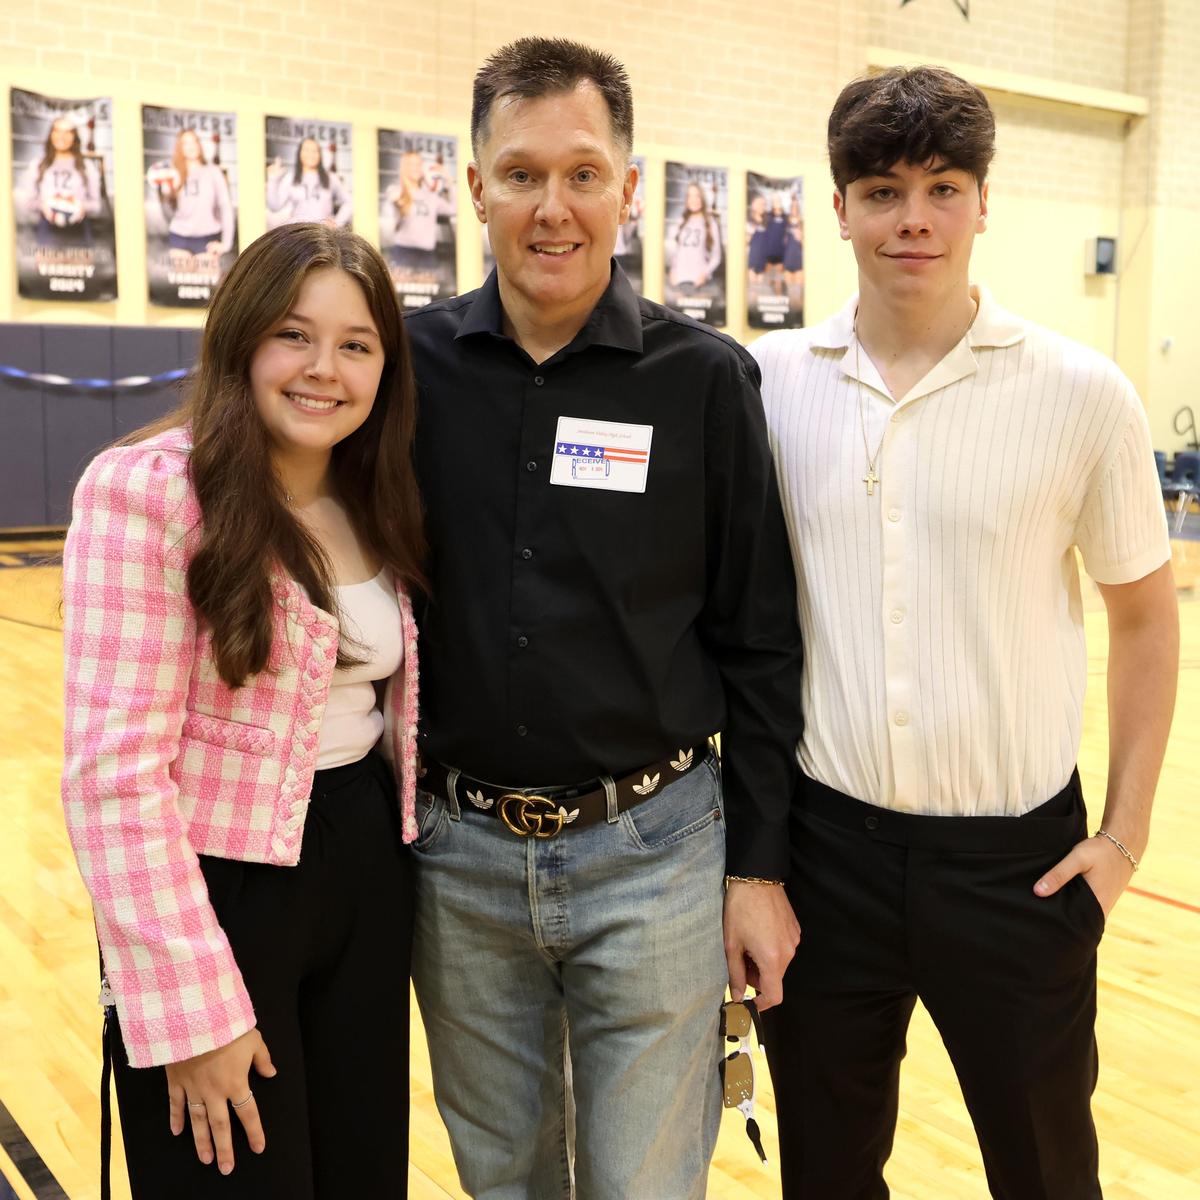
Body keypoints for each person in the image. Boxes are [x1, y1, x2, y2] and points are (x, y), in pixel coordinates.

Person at [751, 65, 1179, 1199]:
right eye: (883, 190)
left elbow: (1145, 615)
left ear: (985, 202)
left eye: (944, 187)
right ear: (837, 207)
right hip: (823, 862)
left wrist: (1123, 841)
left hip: (1022, 871)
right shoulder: (764, 382)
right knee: (827, 1176)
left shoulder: (1085, 393)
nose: (915, 219)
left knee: (1046, 1173)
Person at [404, 35, 805, 1200]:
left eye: (583, 173)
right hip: (460, 860)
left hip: (657, 855)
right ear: (473, 186)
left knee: (645, 1185)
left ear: (631, 189)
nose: (552, 208)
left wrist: (759, 869)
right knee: (506, 1181)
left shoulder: (702, 382)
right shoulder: (409, 368)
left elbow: (762, 636)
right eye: (520, 174)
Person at [60, 223, 426, 1199]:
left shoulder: (378, 494)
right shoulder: (148, 494)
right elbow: (110, 776)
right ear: (240, 339)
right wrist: (188, 1009)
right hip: (217, 890)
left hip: (363, 871)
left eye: (356, 345)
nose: (324, 370)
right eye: (293, 336)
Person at [151, 128, 235, 261]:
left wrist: (226, 243)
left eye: (194, 141)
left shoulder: (213, 172)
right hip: (179, 238)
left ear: (199, 144)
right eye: (185, 143)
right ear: (180, 147)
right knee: (182, 281)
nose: (191, 146)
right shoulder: (172, 173)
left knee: (208, 280)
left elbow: (225, 207)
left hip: (208, 238)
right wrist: (164, 193)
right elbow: (168, 214)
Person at [20, 115, 102, 248]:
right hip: (48, 231)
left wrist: (80, 207)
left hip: (79, 231)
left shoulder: (87, 166)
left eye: (67, 132)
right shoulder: (38, 165)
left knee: (82, 268)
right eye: (57, 131)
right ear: (51, 134)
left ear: (74, 137)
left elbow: (96, 205)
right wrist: (44, 206)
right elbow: (29, 203)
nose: (61, 137)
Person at [383, 149, 455, 278]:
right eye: (411, 164)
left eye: (419, 164)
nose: (416, 168)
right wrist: (399, 205)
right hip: (403, 254)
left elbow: (453, 209)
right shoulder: (396, 191)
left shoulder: (431, 196)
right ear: (405, 167)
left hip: (427, 255)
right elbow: (393, 208)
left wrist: (448, 180)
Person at [266, 136, 352, 228]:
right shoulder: (291, 177)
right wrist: (273, 179)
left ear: (320, 155)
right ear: (299, 153)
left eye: (314, 151)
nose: (310, 154)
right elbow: (275, 206)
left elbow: (349, 202)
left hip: (322, 235)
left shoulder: (330, 177)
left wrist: (337, 223)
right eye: (306, 150)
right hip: (297, 233)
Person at [668, 179, 722, 290]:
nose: (694, 200)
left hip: (700, 283)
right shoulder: (681, 221)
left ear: (702, 198)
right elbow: (676, 253)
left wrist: (704, 275)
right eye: (690, 196)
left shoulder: (711, 222)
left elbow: (716, 257)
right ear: (686, 200)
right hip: (679, 282)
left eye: (697, 196)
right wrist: (673, 272)